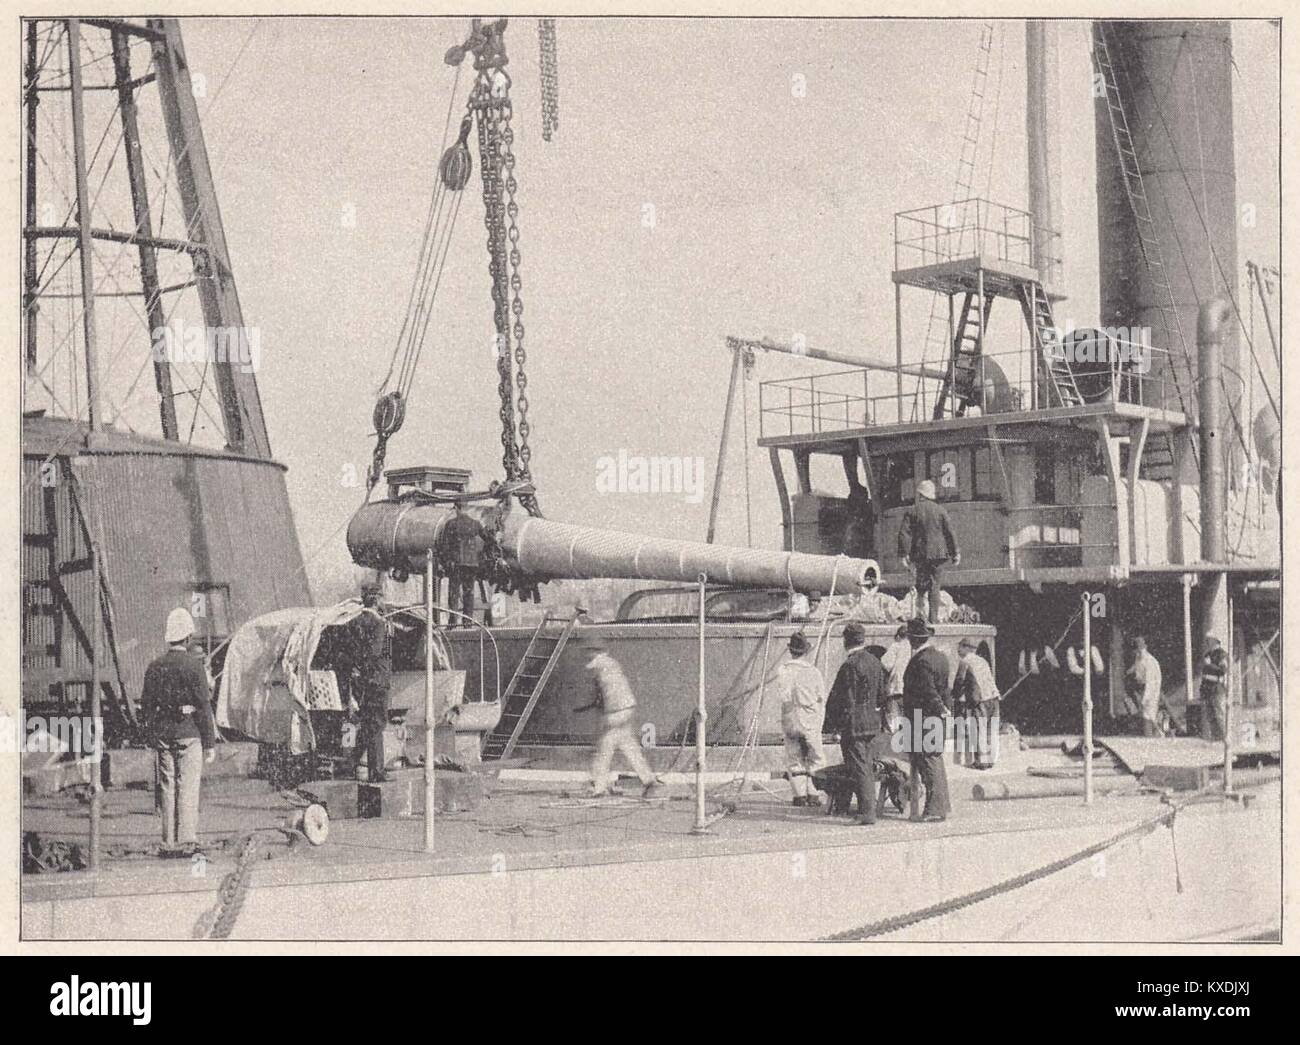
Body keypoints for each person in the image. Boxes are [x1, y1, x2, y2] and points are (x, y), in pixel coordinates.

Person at [140, 608, 217, 855]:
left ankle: (169, 840)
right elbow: (203, 705)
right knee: (188, 785)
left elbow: (147, 705)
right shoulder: (194, 667)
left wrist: (152, 735)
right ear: (187, 638)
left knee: (167, 786)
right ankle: (186, 839)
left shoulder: (154, 666)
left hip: (163, 733)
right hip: (189, 732)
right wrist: (210, 742)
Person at [573, 638, 664, 799]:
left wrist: (593, 708)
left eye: (589, 651)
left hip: (616, 712)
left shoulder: (598, 663)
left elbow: (602, 691)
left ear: (595, 651)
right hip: (627, 708)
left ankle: (598, 787)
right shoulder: (612, 663)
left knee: (604, 749)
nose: (586, 654)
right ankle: (649, 780)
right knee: (628, 746)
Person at [825, 623, 886, 824]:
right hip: (872, 723)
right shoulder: (875, 661)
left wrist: (837, 728)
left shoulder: (850, 665)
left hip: (854, 725)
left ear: (846, 641)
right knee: (866, 766)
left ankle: (866, 813)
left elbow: (845, 700)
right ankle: (867, 809)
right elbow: (881, 695)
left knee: (859, 768)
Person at [900, 616, 952, 821]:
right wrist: (946, 710)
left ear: (913, 639)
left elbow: (928, 690)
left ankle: (934, 809)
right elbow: (945, 689)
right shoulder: (941, 657)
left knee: (927, 760)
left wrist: (938, 708)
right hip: (936, 716)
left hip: (923, 717)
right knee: (935, 759)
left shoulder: (921, 661)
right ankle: (942, 804)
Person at [897, 479, 960, 624]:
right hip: (938, 555)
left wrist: (904, 554)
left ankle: (920, 618)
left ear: (920, 494)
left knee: (921, 585)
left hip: (920, 555)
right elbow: (950, 532)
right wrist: (955, 552)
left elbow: (904, 534)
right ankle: (933, 619)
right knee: (935, 586)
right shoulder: (941, 510)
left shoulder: (912, 510)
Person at [777, 632, 828, 808]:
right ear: (806, 651)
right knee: (815, 757)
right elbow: (821, 697)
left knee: (794, 756)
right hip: (809, 718)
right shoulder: (813, 672)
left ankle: (799, 796)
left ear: (791, 650)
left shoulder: (783, 670)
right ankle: (813, 794)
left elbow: (783, 695)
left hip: (790, 717)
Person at [352, 583, 392, 782]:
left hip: (364, 682)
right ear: (376, 600)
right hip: (377, 680)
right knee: (377, 725)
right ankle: (376, 772)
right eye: (382, 598)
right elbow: (374, 652)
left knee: (367, 724)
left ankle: (350, 763)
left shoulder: (356, 621)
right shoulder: (378, 623)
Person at [954, 638, 1000, 769]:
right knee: (991, 729)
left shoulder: (965, 661)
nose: (958, 650)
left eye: (960, 647)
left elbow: (959, 681)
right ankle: (991, 759)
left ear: (966, 648)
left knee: (979, 728)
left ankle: (981, 761)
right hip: (994, 697)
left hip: (980, 700)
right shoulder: (982, 660)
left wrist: (955, 696)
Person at [438, 502, 487, 626]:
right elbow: (489, 539)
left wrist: (445, 562)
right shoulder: (475, 524)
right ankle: (467, 622)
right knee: (469, 593)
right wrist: (480, 556)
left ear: (456, 508)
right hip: (472, 564)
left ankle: (453, 621)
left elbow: (444, 546)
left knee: (453, 592)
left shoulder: (451, 524)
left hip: (456, 564)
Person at [1127, 635, 1164, 737]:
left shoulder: (1150, 661)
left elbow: (1150, 682)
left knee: (1148, 714)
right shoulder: (1138, 659)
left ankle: (1152, 736)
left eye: (1140, 648)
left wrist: (1146, 697)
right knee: (1143, 713)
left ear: (1146, 647)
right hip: (1141, 688)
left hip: (1151, 689)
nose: (1138, 652)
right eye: (1137, 649)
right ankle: (1149, 735)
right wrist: (1129, 671)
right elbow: (1136, 667)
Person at [880, 623, 911, 729]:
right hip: (910, 690)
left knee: (893, 724)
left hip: (896, 689)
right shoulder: (913, 647)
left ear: (898, 636)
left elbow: (885, 664)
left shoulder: (896, 646)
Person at [1199, 636, 1228, 741]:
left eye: (1210, 640)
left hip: (1217, 688)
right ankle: (1216, 737)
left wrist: (1210, 665)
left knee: (1219, 714)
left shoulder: (1221, 654)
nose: (1208, 643)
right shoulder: (1208, 654)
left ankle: (1224, 737)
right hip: (1208, 689)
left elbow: (1223, 671)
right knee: (1210, 715)